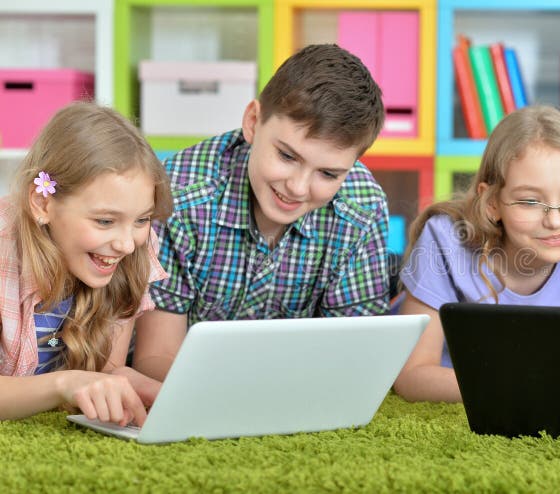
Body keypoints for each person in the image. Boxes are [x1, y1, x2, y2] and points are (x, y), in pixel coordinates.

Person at [133, 44, 390, 381]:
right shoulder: (180, 198)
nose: (298, 187)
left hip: (298, 383)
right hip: (194, 382)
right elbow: (155, 357)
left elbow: (355, 355)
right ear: (253, 123)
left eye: (328, 174)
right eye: (287, 156)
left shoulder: (362, 210)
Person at [393, 105, 560, 402]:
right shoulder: (444, 239)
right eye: (529, 202)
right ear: (492, 203)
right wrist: (523, 386)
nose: (555, 221)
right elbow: (412, 376)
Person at [0, 101, 173, 425]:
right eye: (105, 221)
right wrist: (63, 385)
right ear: (42, 203)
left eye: (142, 219)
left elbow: (103, 370)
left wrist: (124, 381)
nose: (125, 244)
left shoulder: (136, 248)